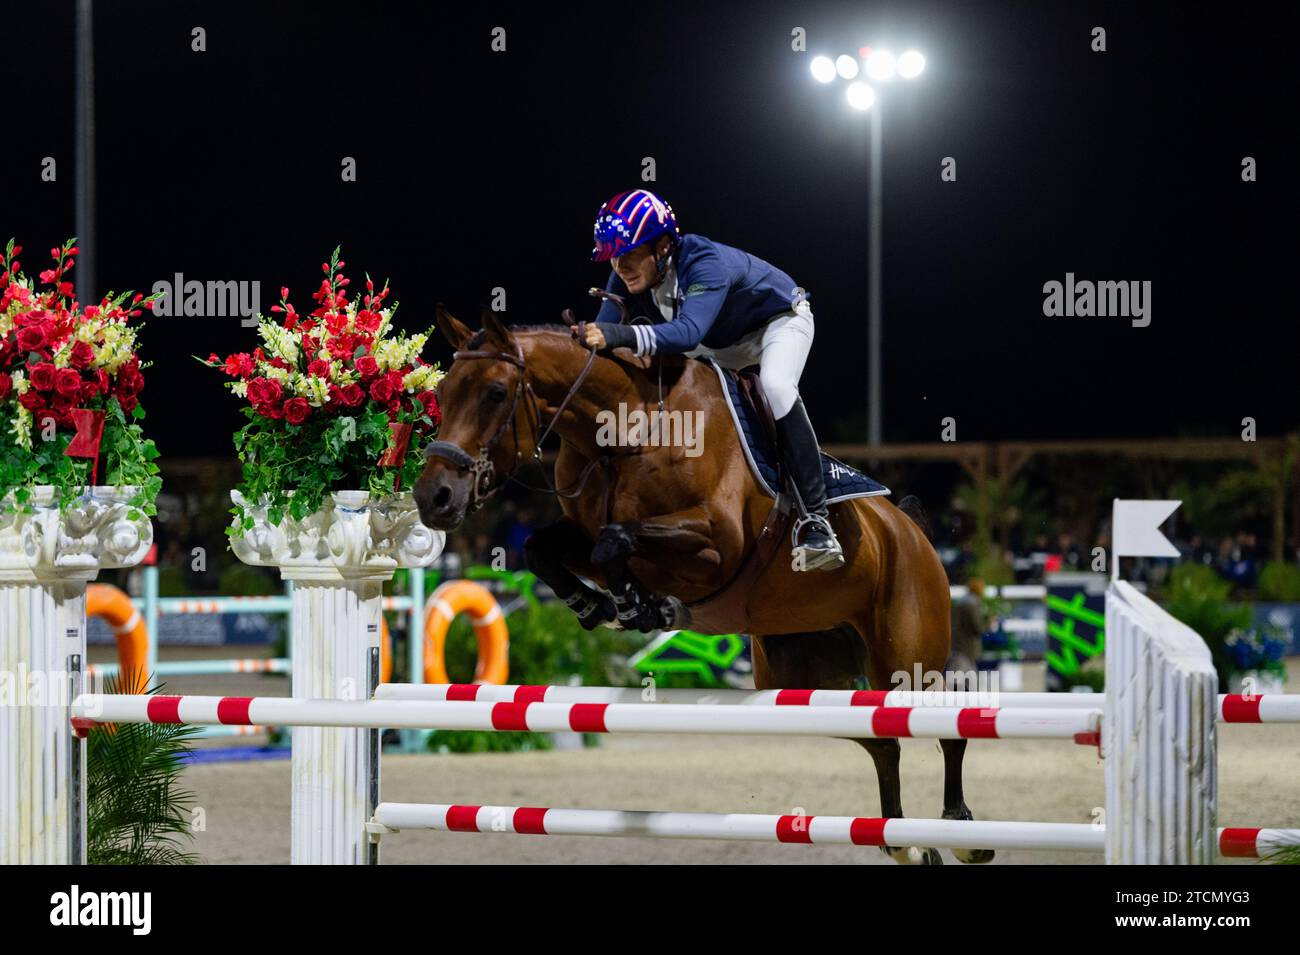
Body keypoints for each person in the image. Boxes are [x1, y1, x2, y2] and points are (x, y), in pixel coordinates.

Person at [570, 188, 842, 571]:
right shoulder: (625, 277)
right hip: (719, 343)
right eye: (613, 257)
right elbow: (602, 334)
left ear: (663, 245)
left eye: (628, 255)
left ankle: (817, 520)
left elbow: (686, 334)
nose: (619, 267)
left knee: (777, 387)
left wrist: (616, 336)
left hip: (776, 325)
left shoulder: (704, 261)